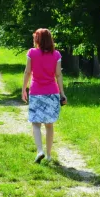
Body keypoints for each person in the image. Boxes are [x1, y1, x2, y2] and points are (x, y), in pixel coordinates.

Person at [21, 28, 66, 163]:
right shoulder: (56, 55)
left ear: (38, 40)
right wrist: (62, 94)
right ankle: (49, 155)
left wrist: (24, 89)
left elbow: (27, 72)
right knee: (49, 125)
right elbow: (58, 75)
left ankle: (39, 150)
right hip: (52, 92)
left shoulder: (32, 53)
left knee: (36, 123)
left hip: (36, 92)